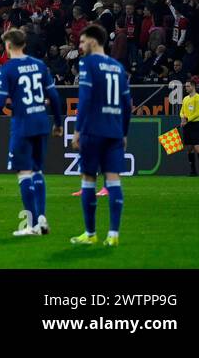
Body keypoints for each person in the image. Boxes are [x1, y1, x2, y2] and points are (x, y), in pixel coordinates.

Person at [0, 28, 62, 236]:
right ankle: (42, 219)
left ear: (8, 46)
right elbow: (54, 97)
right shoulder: (39, 65)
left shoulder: (8, 69)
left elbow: (0, 102)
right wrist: (59, 123)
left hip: (23, 124)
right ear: (24, 44)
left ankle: (32, 225)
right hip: (41, 123)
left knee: (24, 173)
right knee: (37, 170)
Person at [70, 24, 131, 247]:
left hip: (93, 130)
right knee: (113, 180)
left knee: (88, 180)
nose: (80, 45)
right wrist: (124, 132)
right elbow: (127, 104)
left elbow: (84, 99)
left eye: (82, 41)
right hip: (114, 131)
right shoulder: (118, 67)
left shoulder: (88, 63)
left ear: (94, 41)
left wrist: (77, 130)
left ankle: (91, 233)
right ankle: (113, 234)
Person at [179, 79, 199, 175]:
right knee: (189, 148)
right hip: (186, 125)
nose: (186, 88)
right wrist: (182, 118)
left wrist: (187, 120)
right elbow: (181, 111)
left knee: (198, 147)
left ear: (193, 86)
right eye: (185, 86)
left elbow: (197, 113)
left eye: (188, 86)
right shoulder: (185, 99)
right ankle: (193, 171)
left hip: (195, 124)